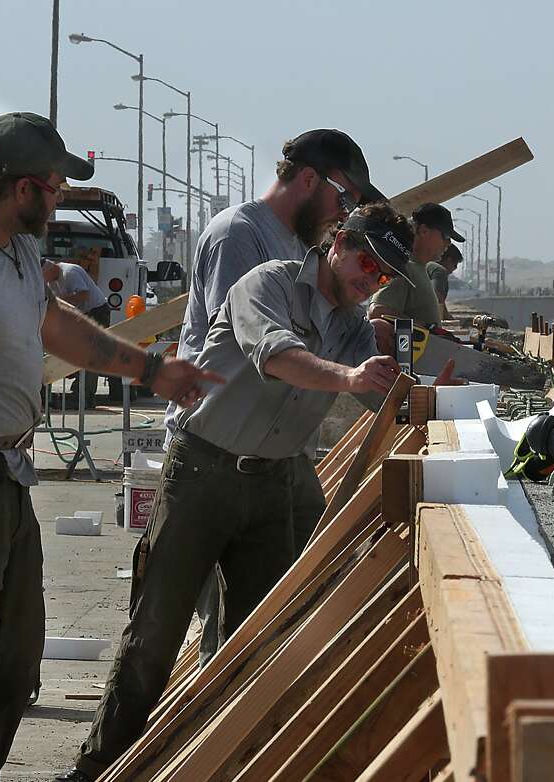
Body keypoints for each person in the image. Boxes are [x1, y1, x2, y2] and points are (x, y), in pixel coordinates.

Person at [56, 202, 415, 782]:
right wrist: (350, 376)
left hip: (273, 482)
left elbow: (379, 395)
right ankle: (97, 767)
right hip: (203, 472)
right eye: (367, 263)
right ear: (338, 242)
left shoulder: (352, 325)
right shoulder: (267, 283)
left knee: (259, 639)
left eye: (383, 276)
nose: (370, 280)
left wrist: (414, 390)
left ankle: (227, 765)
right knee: (155, 630)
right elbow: (275, 356)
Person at [0, 112, 220, 782]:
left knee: (16, 661)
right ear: (22, 188)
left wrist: (151, 371)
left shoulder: (18, 253)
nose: (58, 199)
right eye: (54, 187)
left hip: (6, 476)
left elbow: (57, 325)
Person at [166, 128, 385, 664]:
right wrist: (347, 374)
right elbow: (257, 352)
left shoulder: (301, 246)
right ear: (309, 179)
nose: (344, 212)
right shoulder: (240, 236)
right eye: (345, 198)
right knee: (200, 614)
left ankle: (241, 693)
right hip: (217, 445)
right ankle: (211, 705)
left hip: (272, 448)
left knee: (293, 586)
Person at [368, 202, 463, 339]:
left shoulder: (419, 268)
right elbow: (377, 312)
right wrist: (428, 328)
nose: (448, 243)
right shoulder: (404, 268)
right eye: (446, 236)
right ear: (423, 231)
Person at [42, 259, 113, 405]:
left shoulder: (70, 272)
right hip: (81, 313)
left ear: (51, 269)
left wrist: (59, 300)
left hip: (97, 312)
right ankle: (54, 392)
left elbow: (83, 295)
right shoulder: (50, 281)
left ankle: (84, 396)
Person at [427, 242, 462, 320]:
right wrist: (445, 316)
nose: (455, 269)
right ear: (449, 260)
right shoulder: (439, 270)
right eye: (455, 265)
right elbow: (437, 297)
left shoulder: (426, 265)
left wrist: (446, 314)